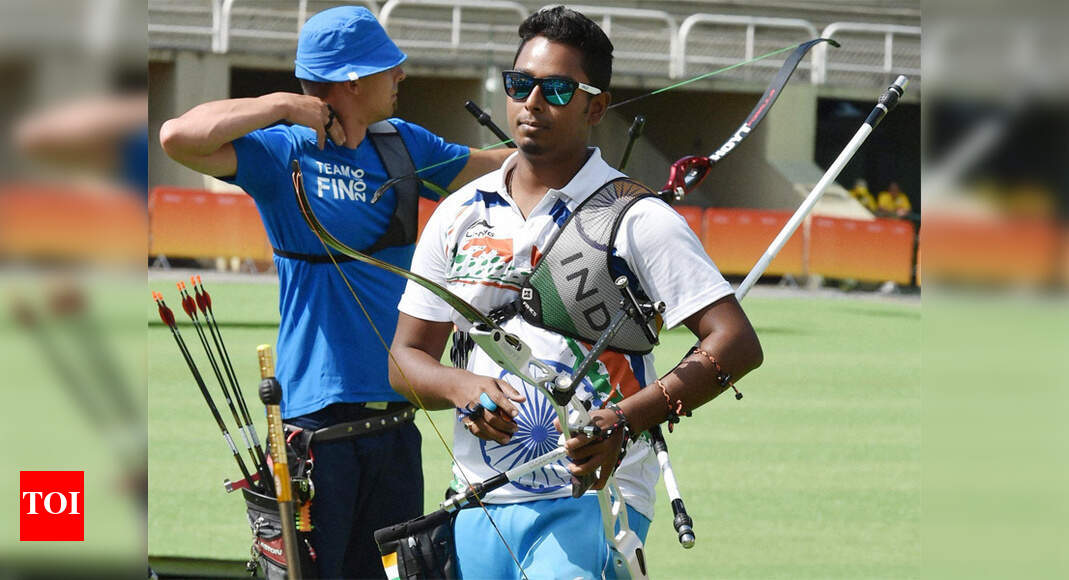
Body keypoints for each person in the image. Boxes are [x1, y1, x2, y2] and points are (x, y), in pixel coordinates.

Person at [390, 6, 763, 578]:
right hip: (477, 497)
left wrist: (625, 420)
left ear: (596, 105)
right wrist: (463, 387)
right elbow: (406, 359)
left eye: (557, 89)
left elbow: (734, 342)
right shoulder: (458, 213)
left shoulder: (638, 218)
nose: (532, 102)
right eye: (520, 85)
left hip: (595, 499)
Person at [159, 6, 509, 578]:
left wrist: (568, 158)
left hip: (397, 422)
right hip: (316, 429)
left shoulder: (403, 145)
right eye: (387, 67)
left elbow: (491, 168)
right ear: (352, 78)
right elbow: (178, 136)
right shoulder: (283, 150)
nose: (400, 76)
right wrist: (280, 106)